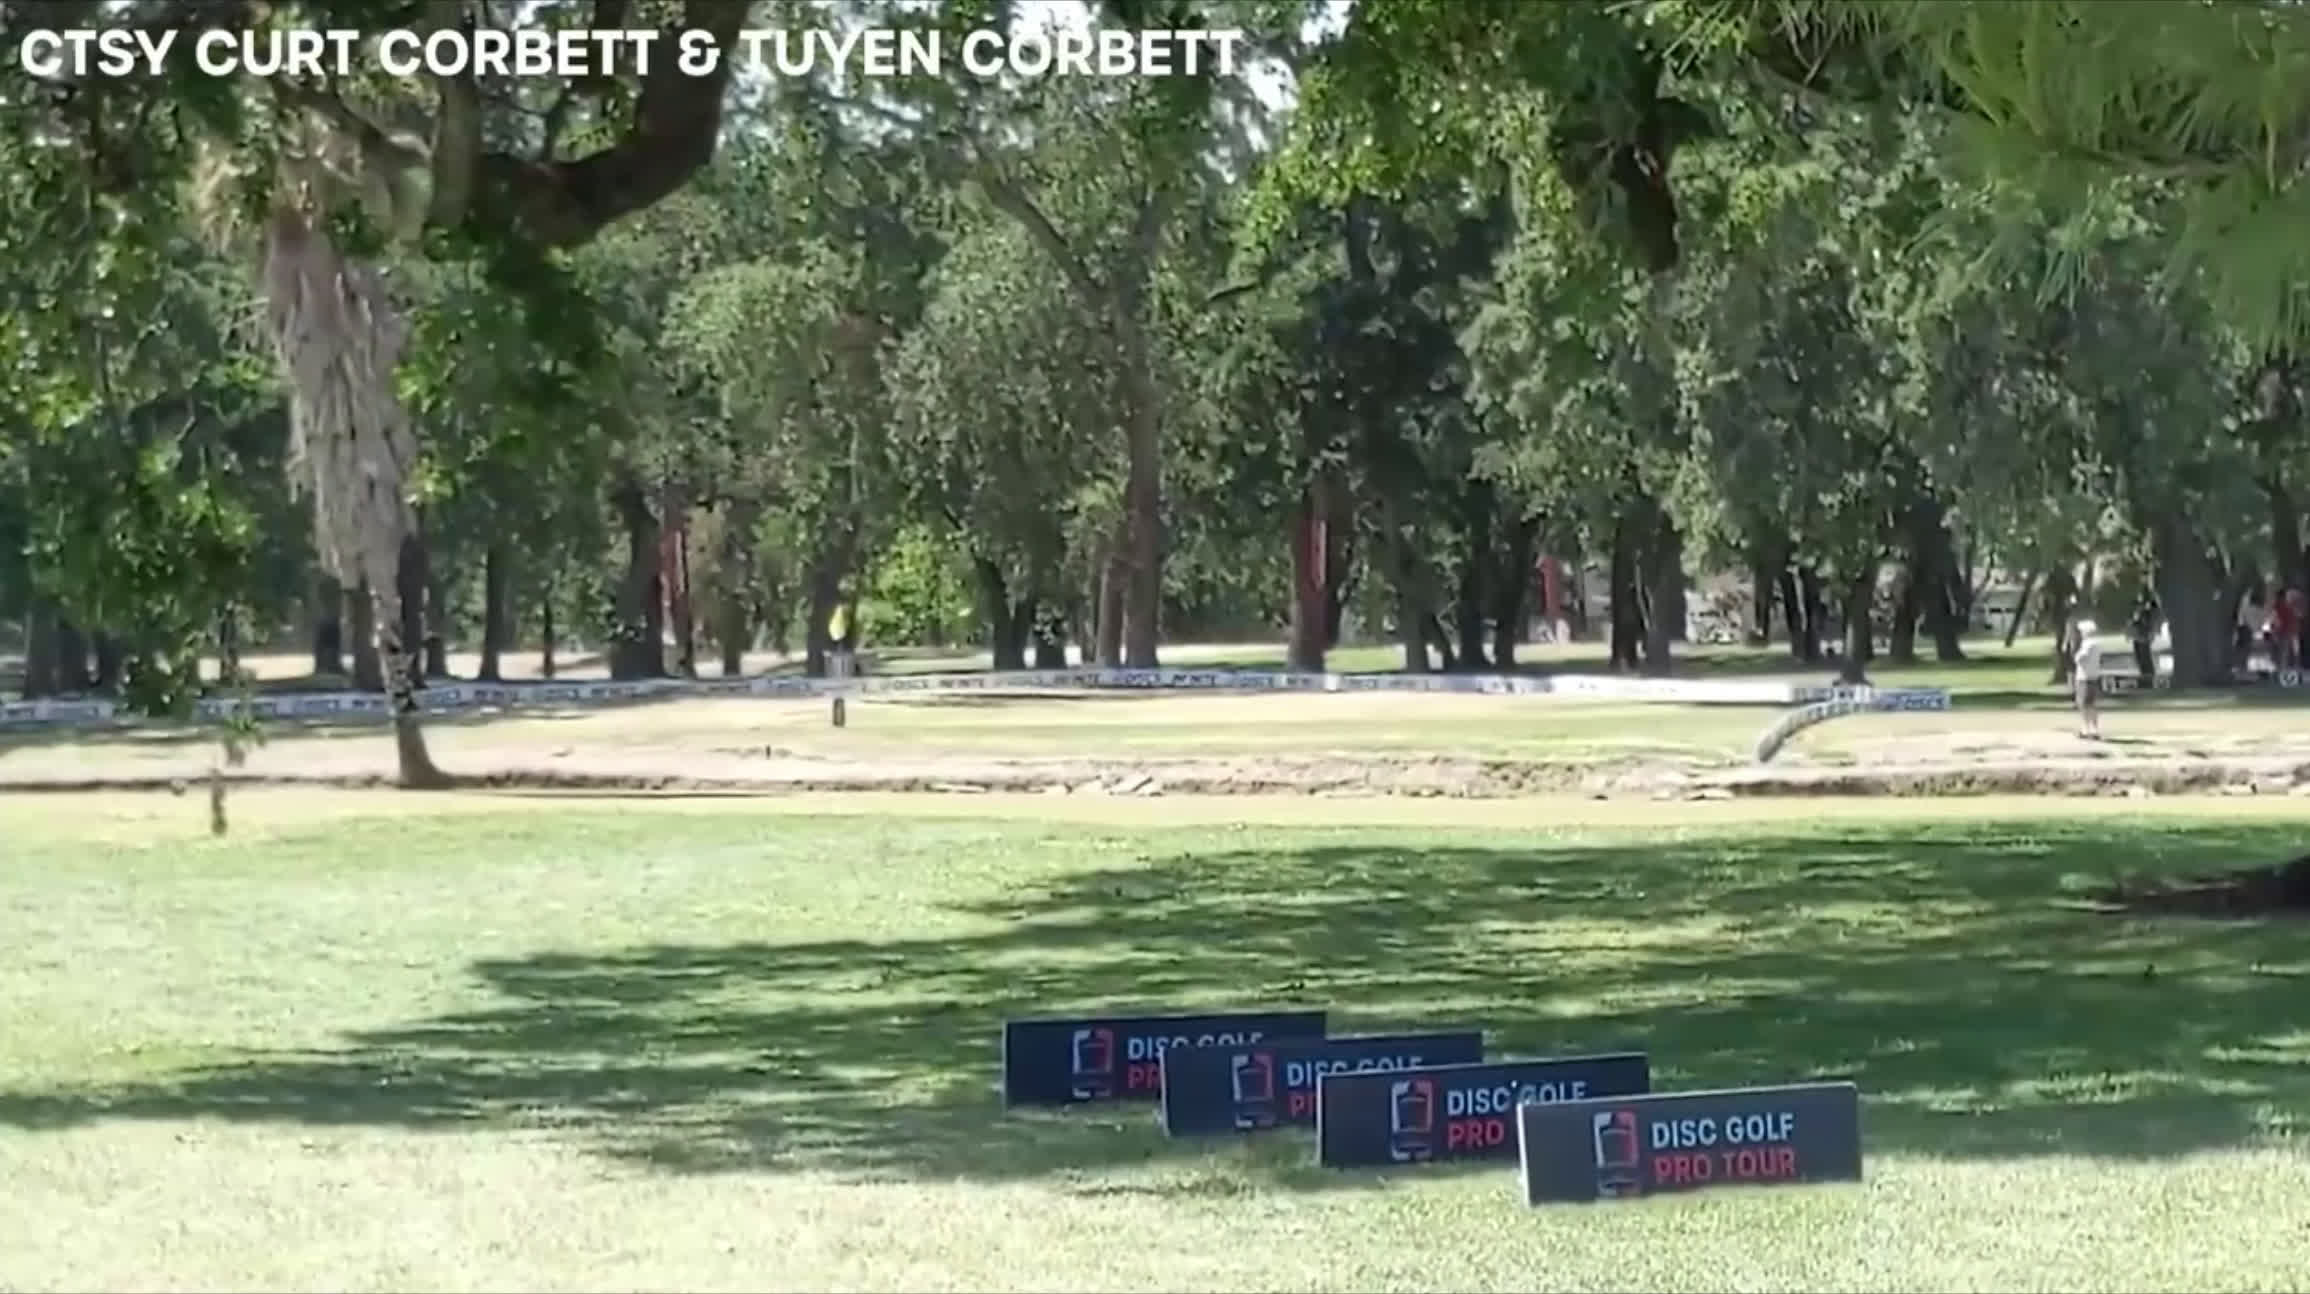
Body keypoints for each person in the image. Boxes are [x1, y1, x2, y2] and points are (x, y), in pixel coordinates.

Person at [2072, 618, 2103, 739]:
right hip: (2094, 675)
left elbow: (2080, 658)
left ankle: (2086, 729)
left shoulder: (2088, 644)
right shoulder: (2098, 643)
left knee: (2084, 704)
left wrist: (2077, 655)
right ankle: (2094, 729)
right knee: (2092, 704)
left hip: (2084, 677)